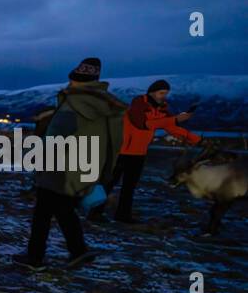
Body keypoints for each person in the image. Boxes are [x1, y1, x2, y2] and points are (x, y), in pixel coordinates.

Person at [13, 57, 126, 271]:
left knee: (43, 212)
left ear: (75, 80)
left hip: (59, 168)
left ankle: (35, 257)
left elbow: (54, 139)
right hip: (82, 166)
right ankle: (78, 250)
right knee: (63, 209)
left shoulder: (73, 104)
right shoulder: (104, 106)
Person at [113, 79, 201, 223]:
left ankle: (122, 216)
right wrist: (174, 120)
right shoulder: (138, 105)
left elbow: (171, 127)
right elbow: (143, 124)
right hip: (122, 151)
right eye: (161, 93)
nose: (163, 96)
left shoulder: (161, 109)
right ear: (152, 92)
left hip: (139, 153)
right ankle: (95, 211)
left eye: (166, 93)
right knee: (110, 182)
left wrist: (196, 139)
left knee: (129, 187)